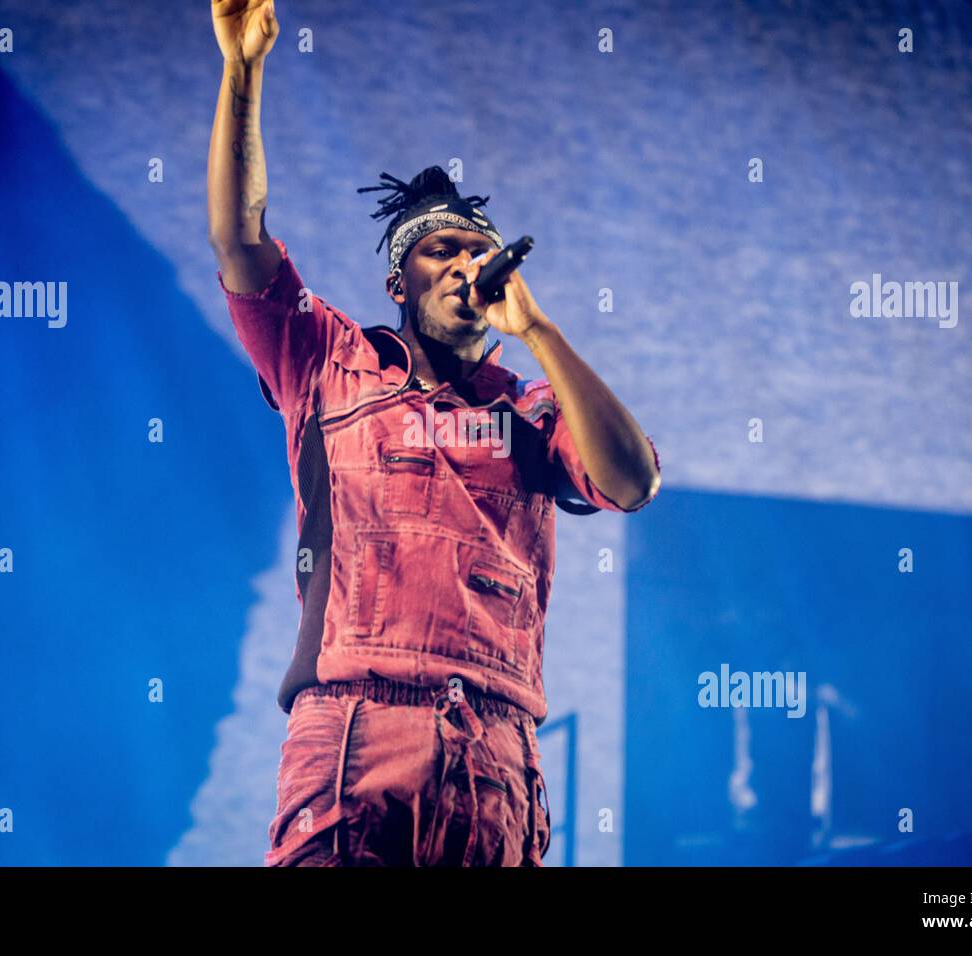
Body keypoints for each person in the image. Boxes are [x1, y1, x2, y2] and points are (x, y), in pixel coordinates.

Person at [207, 0, 661, 866]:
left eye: (475, 251)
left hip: (496, 751)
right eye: (439, 251)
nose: (463, 265)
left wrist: (538, 330)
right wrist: (243, 67)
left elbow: (632, 481)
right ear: (397, 285)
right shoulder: (331, 361)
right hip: (355, 730)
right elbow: (238, 236)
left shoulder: (532, 409)